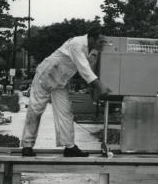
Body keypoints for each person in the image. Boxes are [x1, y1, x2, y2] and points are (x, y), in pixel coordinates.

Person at [21, 28, 112, 157]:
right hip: (47, 74)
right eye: (100, 41)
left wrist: (93, 86)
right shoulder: (77, 43)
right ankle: (27, 146)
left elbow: (89, 69)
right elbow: (84, 69)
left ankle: (69, 147)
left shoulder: (92, 50)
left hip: (61, 81)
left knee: (65, 112)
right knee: (35, 109)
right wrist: (100, 86)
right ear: (91, 38)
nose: (102, 44)